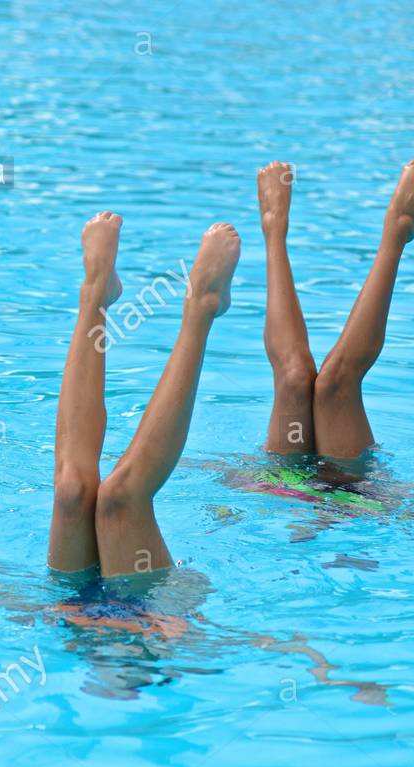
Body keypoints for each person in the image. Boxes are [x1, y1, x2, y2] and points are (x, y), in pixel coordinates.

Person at [48, 212, 241, 577]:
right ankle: (203, 305)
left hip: (71, 610)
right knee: (120, 498)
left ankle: (94, 295)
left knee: (72, 490)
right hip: (148, 613)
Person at [257, 158, 414, 460]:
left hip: (283, 484)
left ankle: (274, 229)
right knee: (335, 383)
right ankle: (397, 232)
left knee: (295, 377)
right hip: (353, 496)